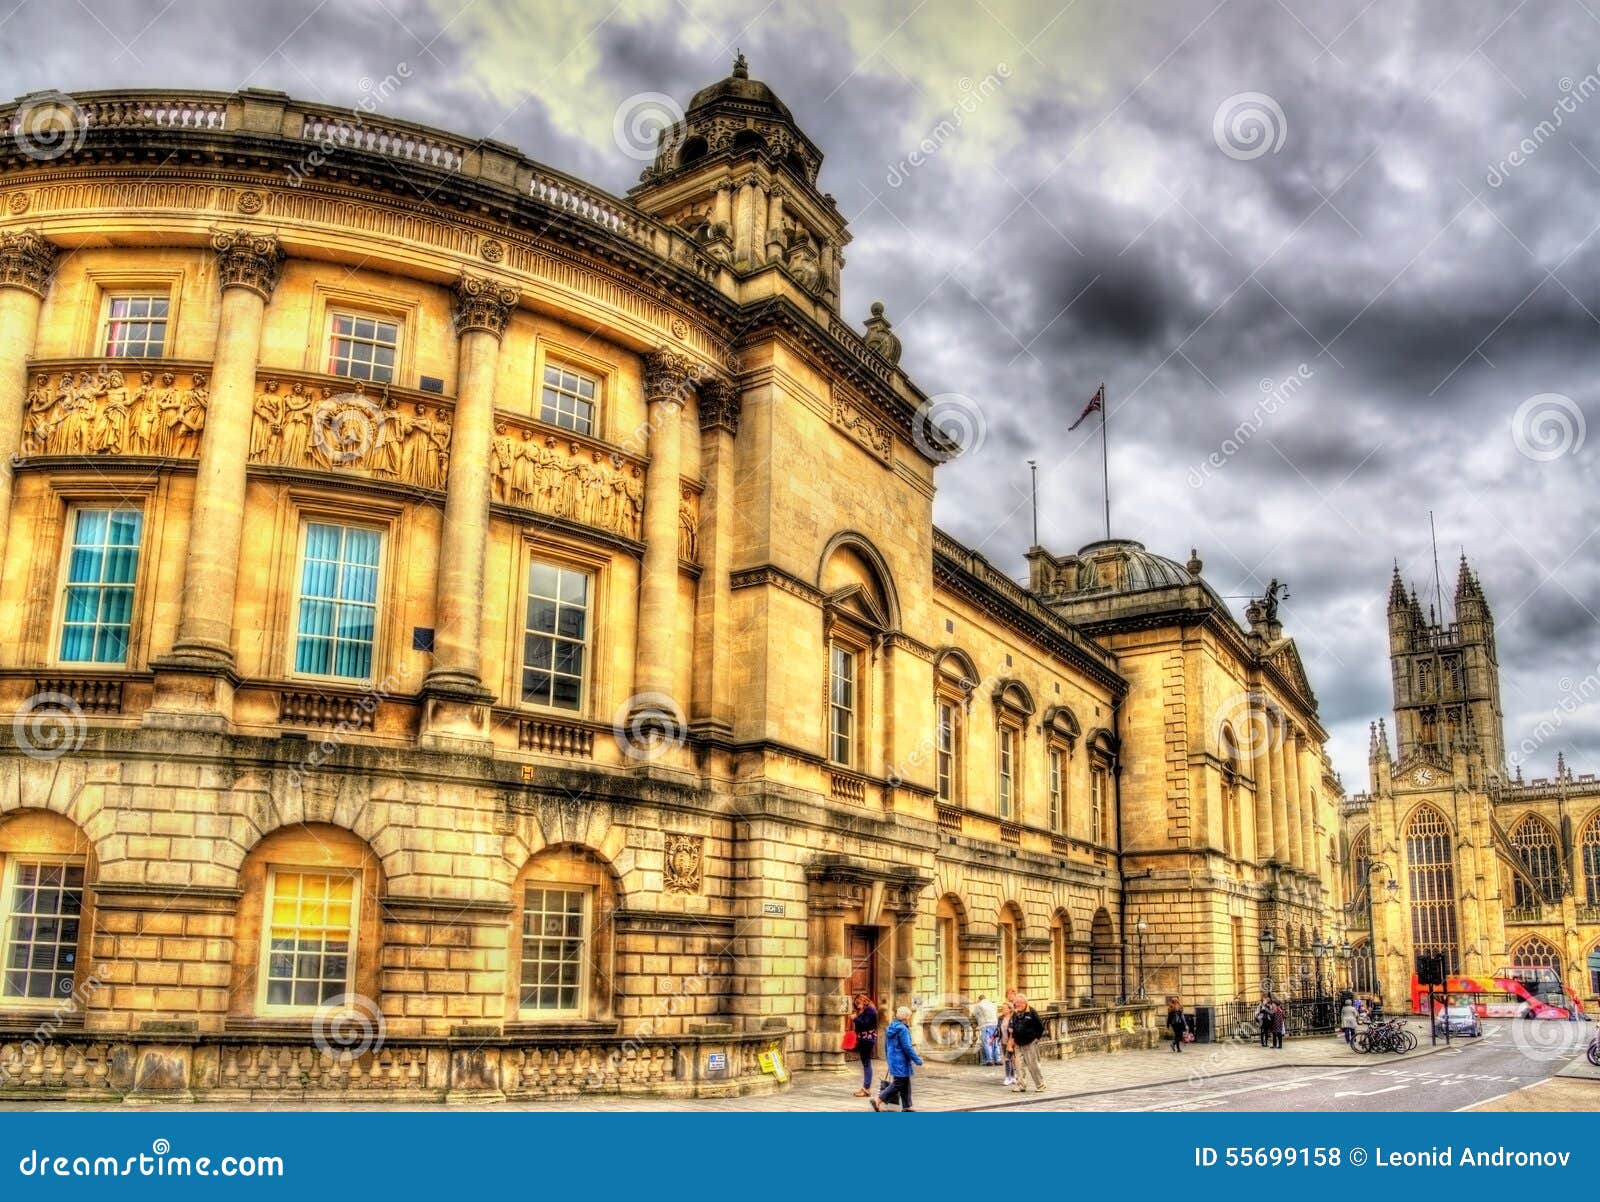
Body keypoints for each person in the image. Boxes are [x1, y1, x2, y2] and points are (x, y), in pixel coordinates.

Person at [870, 1006, 923, 1112]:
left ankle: (907, 1106)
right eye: (909, 1016)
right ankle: (878, 1100)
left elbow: (886, 1045)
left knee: (905, 1081)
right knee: (899, 1083)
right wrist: (917, 1059)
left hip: (894, 1059)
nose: (910, 1018)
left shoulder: (892, 1026)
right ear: (906, 1017)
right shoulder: (903, 1029)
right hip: (901, 1061)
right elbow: (907, 1047)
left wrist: (889, 1058)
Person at [1009, 994, 1046, 1091]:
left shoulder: (1032, 1012)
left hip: (1030, 1043)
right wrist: (1013, 1039)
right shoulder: (1015, 1013)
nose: (1017, 1005)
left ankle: (1040, 1085)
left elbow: (1041, 1027)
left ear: (1025, 1003)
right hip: (1018, 1043)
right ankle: (1021, 1085)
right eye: (1015, 1003)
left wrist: (1036, 1039)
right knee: (1019, 1066)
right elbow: (1013, 1026)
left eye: (1019, 1003)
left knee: (1033, 1065)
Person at [850, 992, 878, 1096]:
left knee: (867, 1064)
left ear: (864, 1000)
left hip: (867, 1040)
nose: (857, 1005)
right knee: (866, 1063)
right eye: (856, 1004)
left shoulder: (870, 1010)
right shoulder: (865, 1010)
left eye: (858, 1003)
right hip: (864, 1040)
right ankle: (866, 1088)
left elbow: (865, 1024)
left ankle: (866, 1089)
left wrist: (855, 1018)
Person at [973, 994, 999, 1066]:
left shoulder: (979, 1005)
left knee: (987, 1043)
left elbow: (974, 1014)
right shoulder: (992, 1004)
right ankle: (997, 1059)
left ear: (979, 999)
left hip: (985, 1025)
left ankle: (989, 1060)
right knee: (994, 1042)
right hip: (995, 1024)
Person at [997, 999, 1017, 1086]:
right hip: (1003, 1041)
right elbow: (998, 1029)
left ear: (1010, 1009)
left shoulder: (1014, 1018)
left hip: (1011, 1041)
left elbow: (1017, 1028)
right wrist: (995, 1036)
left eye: (1004, 1008)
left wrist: (1013, 1030)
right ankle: (1012, 1077)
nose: (1002, 1010)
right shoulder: (1001, 1018)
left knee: (1008, 1059)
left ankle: (1008, 1077)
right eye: (1002, 1008)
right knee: (1009, 1059)